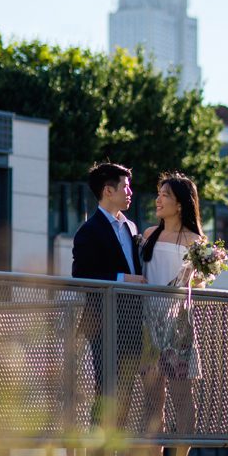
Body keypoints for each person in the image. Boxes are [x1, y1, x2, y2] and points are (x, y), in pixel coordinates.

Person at [71, 162, 146, 431]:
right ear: (107, 190)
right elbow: (81, 277)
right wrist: (122, 280)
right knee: (106, 390)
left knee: (125, 391)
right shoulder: (88, 232)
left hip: (131, 323)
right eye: (125, 187)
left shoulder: (131, 228)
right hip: (103, 324)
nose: (130, 192)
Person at [139, 172, 208, 454]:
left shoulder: (195, 240)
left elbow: (200, 285)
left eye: (165, 195)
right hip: (147, 323)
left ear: (180, 204)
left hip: (179, 325)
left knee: (182, 396)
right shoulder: (148, 235)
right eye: (159, 194)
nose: (158, 200)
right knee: (153, 397)